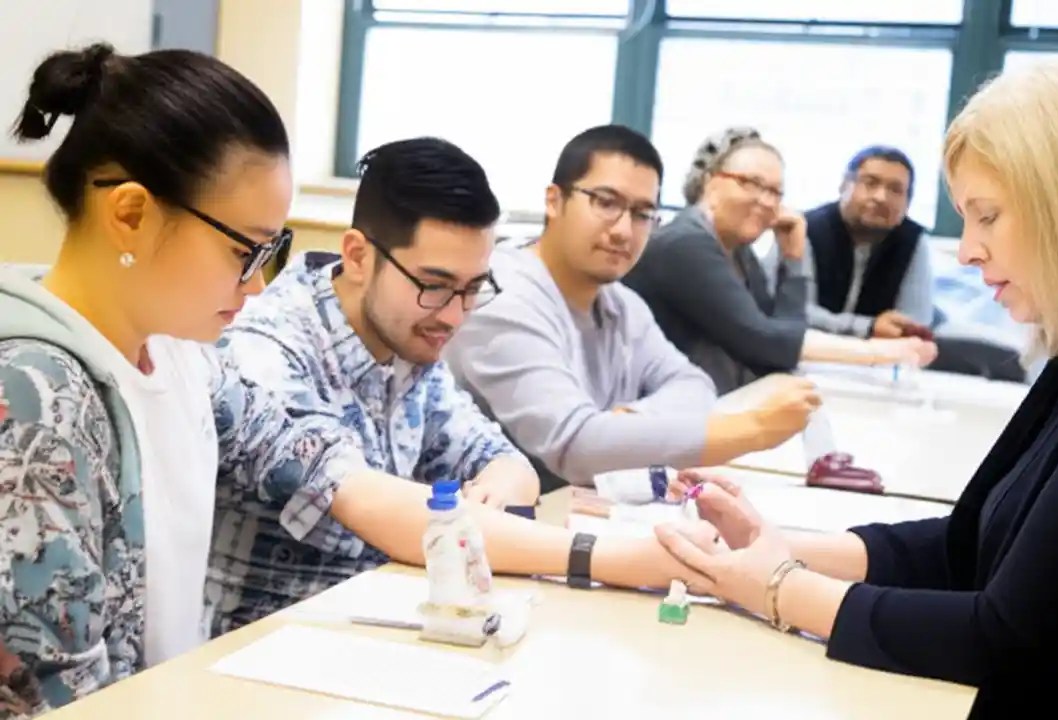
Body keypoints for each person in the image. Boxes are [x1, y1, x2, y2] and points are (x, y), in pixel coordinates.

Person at [0, 44, 708, 716]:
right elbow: (55, 697)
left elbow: (344, 481)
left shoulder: (185, 357)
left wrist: (623, 556)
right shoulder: (40, 392)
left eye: (271, 251)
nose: (260, 281)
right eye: (245, 250)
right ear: (129, 214)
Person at [654, 63, 1058, 716]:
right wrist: (774, 547)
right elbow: (972, 544)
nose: (967, 252)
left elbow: (1009, 634)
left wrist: (779, 588)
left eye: (988, 217)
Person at [205, 136, 542, 631]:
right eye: (435, 286)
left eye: (473, 289)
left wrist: (493, 493)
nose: (453, 315)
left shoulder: (409, 342)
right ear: (359, 257)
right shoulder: (267, 347)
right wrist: (616, 557)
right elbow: (371, 504)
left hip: (378, 633)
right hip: (258, 655)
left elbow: (506, 462)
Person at [444, 125, 820, 490]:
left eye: (642, 213)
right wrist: (754, 429)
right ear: (554, 200)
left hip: (584, 511)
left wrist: (624, 424)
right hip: (483, 528)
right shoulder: (501, 297)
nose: (624, 230)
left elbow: (695, 385)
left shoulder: (621, 303)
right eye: (606, 203)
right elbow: (577, 447)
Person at [622, 127, 936, 394]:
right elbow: (767, 342)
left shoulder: (738, 250)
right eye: (751, 183)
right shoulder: (686, 243)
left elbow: (781, 331)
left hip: (708, 413)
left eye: (775, 192)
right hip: (652, 422)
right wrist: (876, 351)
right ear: (711, 184)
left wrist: (793, 259)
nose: (766, 201)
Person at [797, 146, 934, 339]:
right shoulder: (804, 229)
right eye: (870, 183)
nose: (881, 197)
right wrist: (867, 327)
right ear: (844, 185)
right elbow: (795, 312)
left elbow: (914, 321)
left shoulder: (914, 241)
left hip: (879, 361)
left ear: (908, 202)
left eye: (895, 190)